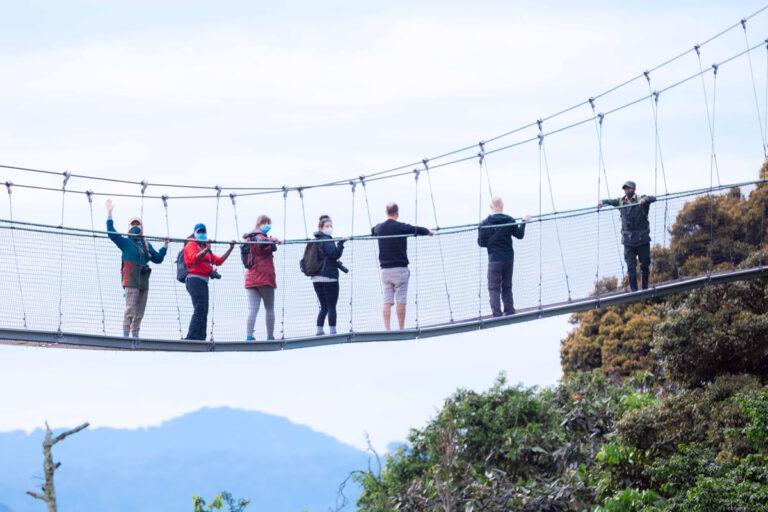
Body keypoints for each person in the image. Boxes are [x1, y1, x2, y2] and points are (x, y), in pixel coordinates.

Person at [105, 199, 170, 338]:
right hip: (131, 281)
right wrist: (109, 214)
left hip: (143, 282)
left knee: (140, 312)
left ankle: (135, 335)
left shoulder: (146, 245)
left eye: (138, 223)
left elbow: (158, 259)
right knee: (130, 310)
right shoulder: (125, 242)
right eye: (133, 224)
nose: (135, 226)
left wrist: (165, 246)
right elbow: (111, 233)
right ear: (129, 227)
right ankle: (126, 337)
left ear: (141, 227)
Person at [371, 202, 435, 330]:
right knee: (401, 300)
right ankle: (401, 328)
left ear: (386, 212)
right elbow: (417, 230)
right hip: (400, 269)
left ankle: (387, 329)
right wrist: (429, 232)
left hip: (385, 270)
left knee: (387, 301)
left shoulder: (379, 228)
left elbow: (372, 230)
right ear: (397, 213)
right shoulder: (401, 227)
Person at [477, 197, 531, 317]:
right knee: (507, 286)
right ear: (502, 206)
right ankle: (509, 310)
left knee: (493, 288)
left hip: (494, 259)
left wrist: (491, 243)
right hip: (508, 258)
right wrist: (523, 221)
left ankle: (497, 313)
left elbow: (481, 242)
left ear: (491, 207)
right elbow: (519, 235)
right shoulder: (509, 219)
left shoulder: (484, 224)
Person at [598, 180, 657, 291]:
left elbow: (653, 198)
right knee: (631, 267)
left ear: (634, 189)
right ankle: (634, 291)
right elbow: (608, 201)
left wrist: (645, 200)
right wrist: (601, 202)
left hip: (642, 240)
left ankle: (645, 289)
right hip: (628, 242)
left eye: (629, 188)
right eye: (625, 189)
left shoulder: (641, 199)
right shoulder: (621, 202)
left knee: (644, 265)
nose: (627, 190)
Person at [183, 223, 235, 340]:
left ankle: (201, 337)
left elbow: (219, 261)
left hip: (203, 281)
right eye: (200, 231)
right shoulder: (191, 244)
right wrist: (207, 249)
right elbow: (194, 257)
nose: (202, 234)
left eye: (204, 232)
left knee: (204, 309)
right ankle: (191, 337)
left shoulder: (205, 247)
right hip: (194, 279)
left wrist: (230, 248)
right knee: (200, 307)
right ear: (195, 233)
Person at [243, 215, 282, 341]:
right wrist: (274, 240)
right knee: (269, 308)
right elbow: (262, 242)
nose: (267, 225)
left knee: (252, 309)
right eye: (264, 223)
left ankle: (249, 336)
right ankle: (270, 336)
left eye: (268, 223)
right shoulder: (260, 237)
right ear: (259, 224)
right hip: (265, 277)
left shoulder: (248, 238)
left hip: (250, 278)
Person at [311, 215, 348, 336]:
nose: (330, 228)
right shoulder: (326, 240)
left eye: (331, 226)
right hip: (330, 278)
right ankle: (333, 332)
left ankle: (319, 330)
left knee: (324, 306)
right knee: (331, 306)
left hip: (316, 278)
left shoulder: (314, 241)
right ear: (320, 228)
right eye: (327, 226)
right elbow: (335, 254)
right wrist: (341, 243)